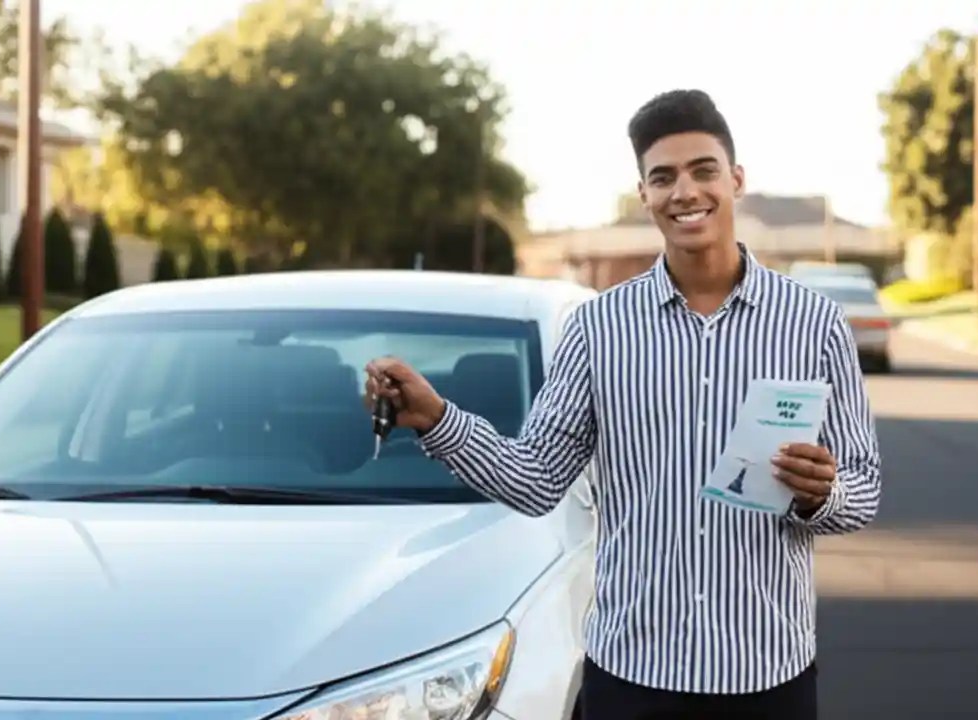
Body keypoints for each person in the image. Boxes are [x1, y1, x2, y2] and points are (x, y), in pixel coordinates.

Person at [364, 89, 881, 720]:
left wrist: (822, 493)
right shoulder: (597, 328)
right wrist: (437, 419)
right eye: (663, 178)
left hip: (767, 674)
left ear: (736, 180)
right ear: (644, 196)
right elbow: (534, 480)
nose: (685, 192)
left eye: (703, 170)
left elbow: (863, 488)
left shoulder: (814, 324)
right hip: (633, 678)